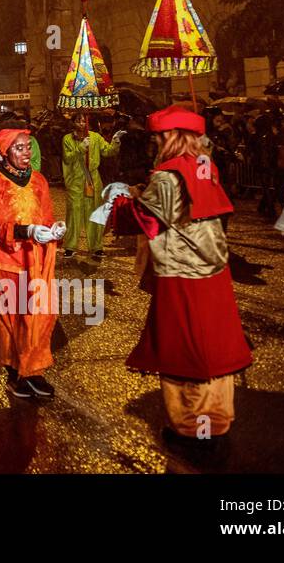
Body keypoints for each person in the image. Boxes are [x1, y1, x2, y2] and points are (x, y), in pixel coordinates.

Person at [104, 106, 252, 450]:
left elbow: (149, 222)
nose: (154, 144)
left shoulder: (168, 175)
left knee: (182, 347)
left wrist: (123, 200)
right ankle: (217, 419)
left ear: (171, 137)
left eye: (158, 137)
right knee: (213, 344)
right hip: (213, 269)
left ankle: (192, 428)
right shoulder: (206, 167)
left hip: (181, 272)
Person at [0, 126, 64, 399]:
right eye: (19, 148)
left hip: (32, 258)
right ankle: (18, 374)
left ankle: (32, 370)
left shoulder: (39, 181)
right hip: (2, 261)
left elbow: (46, 215)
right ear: (5, 152)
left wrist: (52, 229)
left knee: (36, 316)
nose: (26, 153)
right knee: (11, 321)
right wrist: (27, 231)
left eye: (28, 147)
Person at [61, 113, 122, 257]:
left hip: (93, 180)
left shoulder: (95, 137)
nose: (82, 123)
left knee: (94, 212)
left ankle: (96, 246)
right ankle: (70, 246)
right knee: (74, 213)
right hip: (75, 180)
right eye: (78, 120)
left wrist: (115, 141)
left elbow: (107, 151)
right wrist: (80, 148)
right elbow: (67, 158)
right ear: (73, 123)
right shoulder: (67, 139)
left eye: (84, 120)